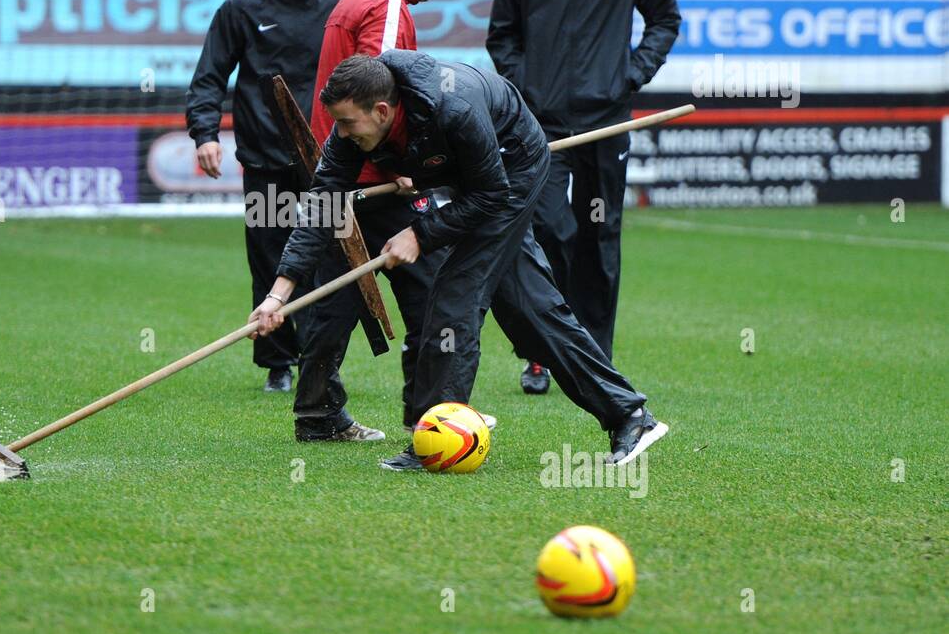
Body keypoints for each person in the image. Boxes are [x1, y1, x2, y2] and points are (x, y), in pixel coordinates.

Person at [250, 50, 668, 471]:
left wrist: (420, 233)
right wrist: (278, 295)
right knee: (529, 306)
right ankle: (630, 414)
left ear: (381, 110)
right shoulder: (354, 129)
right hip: (474, 176)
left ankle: (434, 441)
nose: (340, 133)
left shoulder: (454, 108)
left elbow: (491, 194)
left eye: (347, 123)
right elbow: (323, 205)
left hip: (512, 171)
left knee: (454, 298)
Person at [486, 0, 681, 395]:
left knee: (600, 234)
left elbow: (664, 19)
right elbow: (502, 34)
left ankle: (595, 355)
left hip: (608, 119)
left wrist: (631, 75)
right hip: (540, 126)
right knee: (547, 228)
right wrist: (525, 87)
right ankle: (542, 352)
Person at [286, 0, 455, 442]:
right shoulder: (385, 5)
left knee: (338, 298)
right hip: (366, 178)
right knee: (432, 290)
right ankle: (430, 414)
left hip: (345, 177)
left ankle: (317, 413)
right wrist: (397, 166)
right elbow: (372, 93)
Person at [186, 0, 343, 393]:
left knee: (326, 259)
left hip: (325, 162)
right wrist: (205, 133)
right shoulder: (243, 5)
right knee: (270, 257)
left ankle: (321, 361)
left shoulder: (340, 7)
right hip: (263, 158)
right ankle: (278, 362)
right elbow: (211, 74)